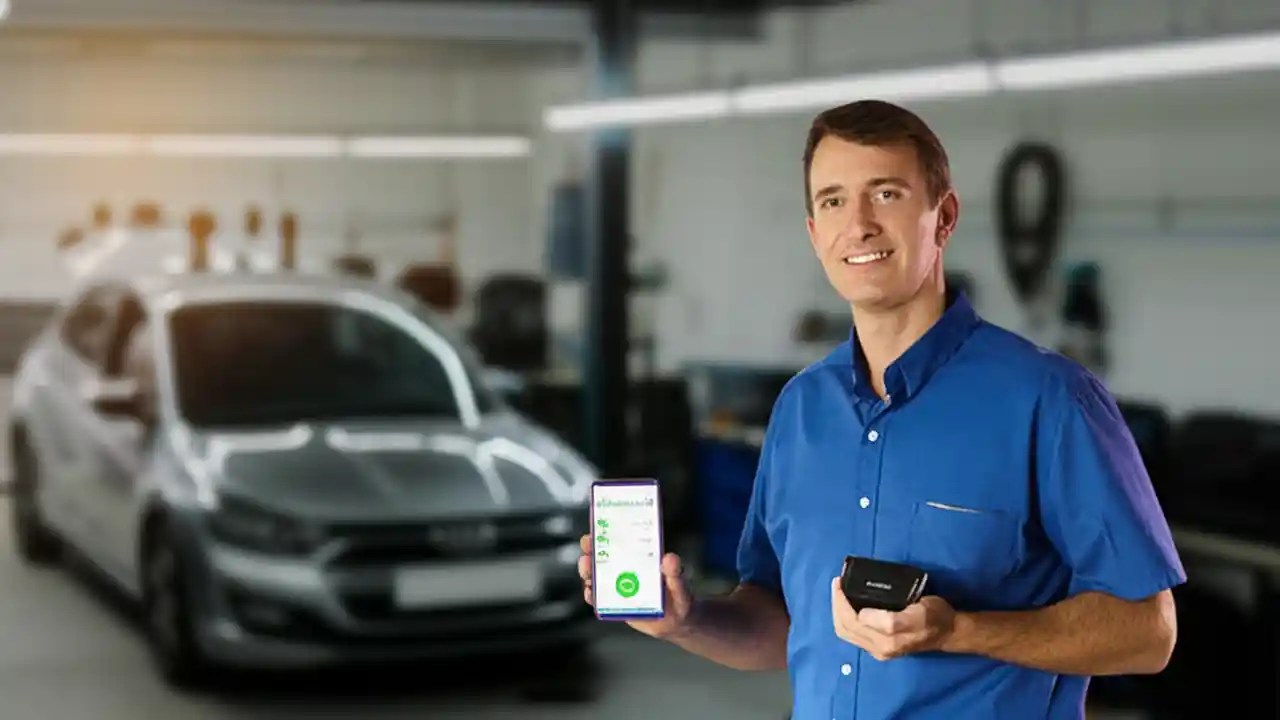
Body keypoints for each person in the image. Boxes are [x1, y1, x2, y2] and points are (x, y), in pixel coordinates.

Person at [578, 99, 1185, 719]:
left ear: (943, 217)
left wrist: (960, 631)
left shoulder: (1050, 399)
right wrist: (684, 620)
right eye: (834, 200)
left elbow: (1146, 633)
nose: (859, 224)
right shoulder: (800, 410)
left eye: (887, 194)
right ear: (815, 232)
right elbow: (785, 624)